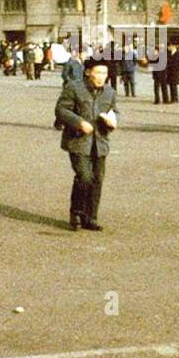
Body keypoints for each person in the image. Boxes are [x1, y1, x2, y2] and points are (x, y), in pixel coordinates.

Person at [55, 57, 118, 230]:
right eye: (98, 72)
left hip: (100, 142)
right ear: (88, 72)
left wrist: (113, 121)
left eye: (104, 73)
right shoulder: (74, 88)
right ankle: (76, 212)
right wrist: (79, 122)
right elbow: (61, 110)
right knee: (84, 176)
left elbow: (114, 111)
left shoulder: (110, 92)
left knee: (97, 179)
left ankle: (90, 217)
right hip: (78, 140)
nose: (101, 76)